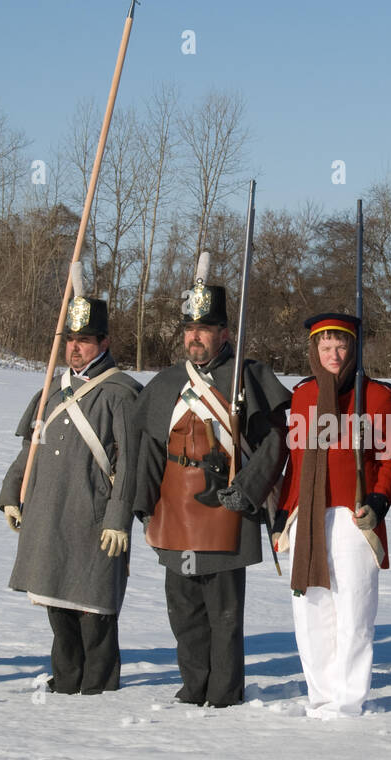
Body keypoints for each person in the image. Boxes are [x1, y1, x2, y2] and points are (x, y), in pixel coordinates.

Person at [132, 252, 291, 707]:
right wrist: (143, 508)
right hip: (173, 512)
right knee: (183, 610)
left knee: (223, 612)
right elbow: (147, 449)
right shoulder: (165, 383)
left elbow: (275, 441)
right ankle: (193, 685)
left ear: (225, 333)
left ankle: (224, 693)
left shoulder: (248, 376)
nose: (194, 338)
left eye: (203, 330)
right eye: (189, 330)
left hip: (225, 507)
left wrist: (249, 490)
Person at [0, 281, 141, 695]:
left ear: (104, 342)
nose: (75, 348)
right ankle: (65, 678)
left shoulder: (122, 393)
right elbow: (31, 448)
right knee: (57, 606)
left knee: (93, 609)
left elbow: (129, 464)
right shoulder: (51, 390)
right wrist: (12, 493)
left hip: (93, 517)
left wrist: (118, 518)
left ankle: (97, 685)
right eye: (70, 340)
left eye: (84, 340)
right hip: (47, 513)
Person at [276, 313, 391, 718]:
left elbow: (389, 460)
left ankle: (347, 701)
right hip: (307, 516)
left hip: (352, 516)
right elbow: (293, 463)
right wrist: (283, 515)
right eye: (325, 347)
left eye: (341, 346)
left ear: (353, 350)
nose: (333, 354)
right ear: (314, 351)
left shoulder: (376, 396)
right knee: (310, 611)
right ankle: (321, 695)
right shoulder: (302, 396)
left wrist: (379, 500)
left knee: (353, 610)